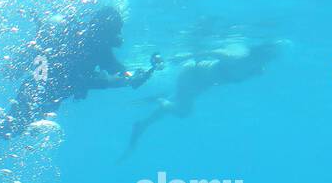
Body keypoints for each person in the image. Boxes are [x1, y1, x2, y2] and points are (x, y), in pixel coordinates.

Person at [0, 6, 163, 144]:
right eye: (114, 30)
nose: (117, 36)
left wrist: (134, 76)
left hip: (51, 96)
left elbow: (117, 69)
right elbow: (82, 80)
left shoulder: (100, 48)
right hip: (38, 88)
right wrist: (121, 81)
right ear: (103, 28)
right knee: (11, 129)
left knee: (13, 128)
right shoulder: (79, 42)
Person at [121, 39, 284, 157]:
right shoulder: (237, 58)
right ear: (259, 54)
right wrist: (182, 57)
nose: (267, 61)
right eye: (266, 57)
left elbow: (256, 69)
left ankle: (144, 123)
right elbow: (211, 52)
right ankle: (158, 100)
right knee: (183, 111)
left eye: (269, 59)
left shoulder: (256, 68)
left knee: (177, 105)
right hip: (192, 74)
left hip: (202, 83)